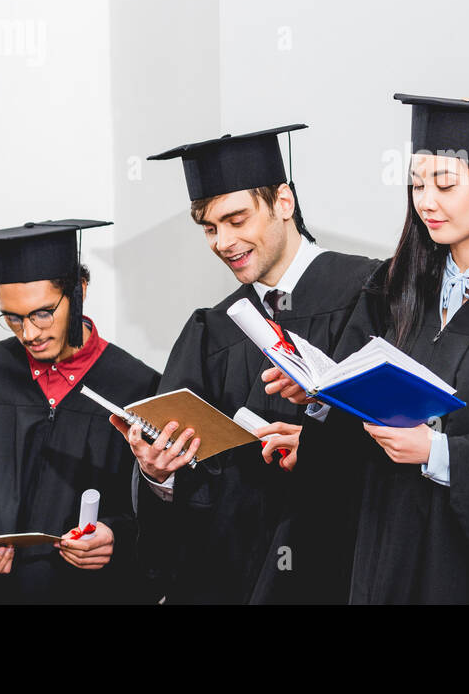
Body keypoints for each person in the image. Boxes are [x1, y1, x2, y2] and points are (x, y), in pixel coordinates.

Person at [280, 94, 469, 603]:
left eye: (445, 183)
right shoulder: (393, 290)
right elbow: (346, 429)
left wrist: (440, 452)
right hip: (385, 542)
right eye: (416, 184)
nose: (426, 201)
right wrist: (317, 396)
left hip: (467, 565)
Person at [124, 124, 379, 603]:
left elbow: (409, 432)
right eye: (209, 227)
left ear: (284, 201)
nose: (222, 241)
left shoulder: (371, 291)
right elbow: (190, 494)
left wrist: (328, 445)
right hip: (234, 583)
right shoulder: (211, 332)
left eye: (236, 219)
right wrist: (159, 475)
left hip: (340, 575)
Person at [0, 219, 160, 603]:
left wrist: (115, 538)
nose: (29, 333)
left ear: (79, 291)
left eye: (42, 313)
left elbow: (162, 513)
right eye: (12, 318)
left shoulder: (137, 388)